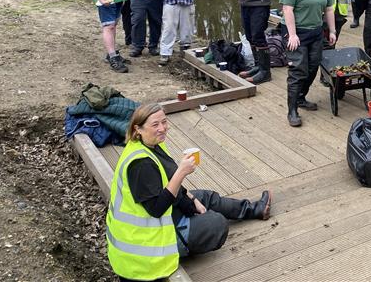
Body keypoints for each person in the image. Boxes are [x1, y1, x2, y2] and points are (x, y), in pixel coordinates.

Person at [107, 103, 271, 281]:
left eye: (164, 122)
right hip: (149, 245)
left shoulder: (150, 145)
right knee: (216, 223)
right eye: (155, 125)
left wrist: (191, 198)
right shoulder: (141, 164)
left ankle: (255, 209)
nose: (162, 128)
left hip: (160, 219)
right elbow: (156, 209)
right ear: (137, 128)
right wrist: (181, 172)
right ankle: (191, 236)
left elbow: (165, 181)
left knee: (206, 197)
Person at [279, 0, 336, 127]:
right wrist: (293, 35)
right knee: (298, 70)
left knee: (312, 67)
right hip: (296, 32)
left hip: (316, 32)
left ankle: (301, 97)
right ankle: (292, 110)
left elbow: (328, 9)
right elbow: (287, 8)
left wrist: (332, 31)